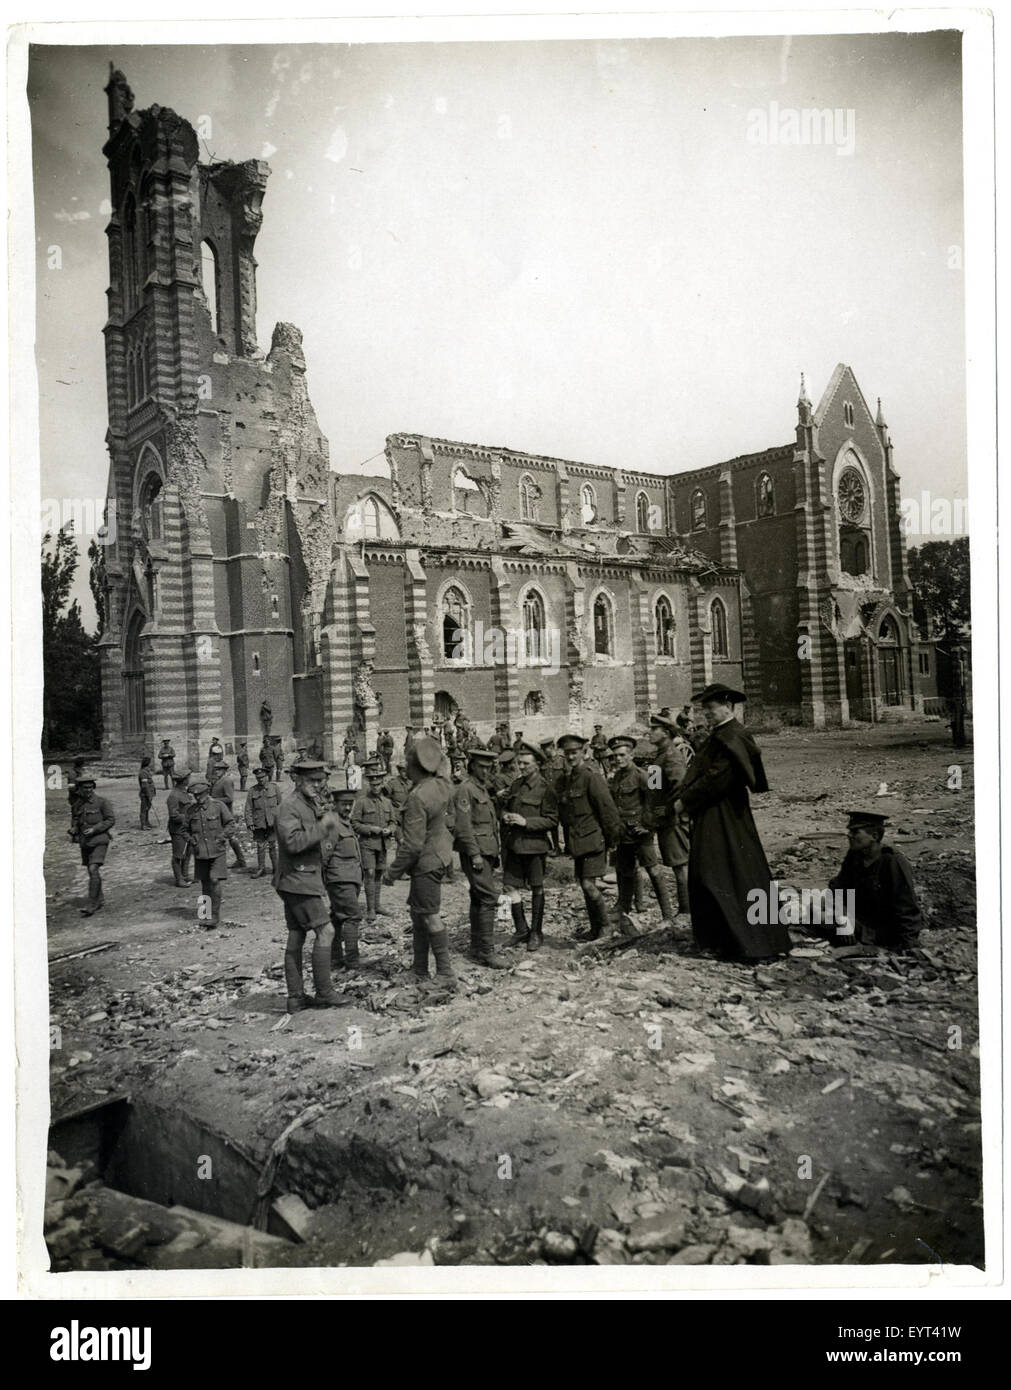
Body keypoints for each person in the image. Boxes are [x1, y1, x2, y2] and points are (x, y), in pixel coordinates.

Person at [674, 683, 789, 963]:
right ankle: (725, 940)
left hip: (724, 814)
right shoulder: (723, 734)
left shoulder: (732, 735)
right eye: (705, 711)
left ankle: (750, 943)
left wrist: (684, 801)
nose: (707, 715)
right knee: (718, 873)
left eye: (711, 710)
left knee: (723, 873)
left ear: (728, 706)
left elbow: (717, 778)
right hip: (715, 813)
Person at [382, 736, 456, 990]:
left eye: (409, 763)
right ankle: (420, 969)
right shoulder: (442, 785)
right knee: (419, 914)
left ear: (416, 767)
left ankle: (445, 974)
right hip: (440, 856)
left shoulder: (417, 797)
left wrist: (392, 872)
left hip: (425, 862)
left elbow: (412, 845)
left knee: (430, 917)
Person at [273, 759, 345, 1012]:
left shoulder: (306, 803)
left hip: (299, 878)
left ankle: (296, 998)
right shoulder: (289, 806)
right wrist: (322, 827)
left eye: (320, 780)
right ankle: (324, 992)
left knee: (297, 935)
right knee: (326, 932)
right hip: (298, 880)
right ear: (298, 780)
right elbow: (292, 844)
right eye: (312, 781)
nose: (318, 785)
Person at [556, 734, 623, 941]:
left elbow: (607, 809)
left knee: (589, 885)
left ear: (584, 752)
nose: (570, 757)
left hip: (597, 838)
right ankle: (596, 929)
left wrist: (612, 840)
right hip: (579, 841)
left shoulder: (591, 776)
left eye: (574, 752)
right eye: (567, 753)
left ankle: (606, 927)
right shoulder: (570, 778)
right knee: (585, 886)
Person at [827, 809, 923, 954]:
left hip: (882, 930)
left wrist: (909, 946)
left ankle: (867, 946)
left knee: (820, 917)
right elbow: (839, 887)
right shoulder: (855, 855)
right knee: (813, 907)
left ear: (874, 836)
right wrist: (844, 917)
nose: (849, 835)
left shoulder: (893, 862)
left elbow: (907, 908)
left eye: (855, 832)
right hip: (858, 918)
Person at [608, 734, 677, 932]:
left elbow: (657, 802)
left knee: (654, 870)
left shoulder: (643, 775)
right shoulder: (616, 778)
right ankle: (624, 908)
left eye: (622, 755)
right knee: (624, 870)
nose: (618, 759)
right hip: (623, 832)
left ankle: (667, 915)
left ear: (631, 755)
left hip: (641, 832)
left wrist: (649, 826)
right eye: (615, 756)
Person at [453, 748, 509, 968]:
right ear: (472, 766)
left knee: (478, 898)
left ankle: (477, 947)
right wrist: (474, 854)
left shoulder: (481, 789)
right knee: (488, 898)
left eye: (489, 767)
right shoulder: (466, 790)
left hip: (486, 851)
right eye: (481, 767)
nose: (486, 771)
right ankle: (487, 951)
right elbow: (463, 826)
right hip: (476, 852)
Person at [501, 741, 558, 952]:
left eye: (525, 763)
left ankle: (536, 932)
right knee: (508, 886)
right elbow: (505, 807)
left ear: (537, 765)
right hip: (515, 845)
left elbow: (552, 820)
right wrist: (505, 816)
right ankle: (520, 929)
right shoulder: (516, 785)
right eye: (519, 763)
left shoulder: (545, 788)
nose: (521, 767)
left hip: (535, 846)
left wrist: (527, 822)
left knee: (537, 887)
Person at [648, 712, 693, 920]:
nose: (650, 733)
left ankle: (686, 909)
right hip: (663, 820)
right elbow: (654, 787)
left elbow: (681, 788)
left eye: (654, 729)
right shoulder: (659, 756)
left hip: (673, 820)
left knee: (680, 865)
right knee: (676, 865)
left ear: (665, 733)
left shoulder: (672, 756)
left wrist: (667, 810)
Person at [322, 787, 365, 970]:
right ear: (335, 804)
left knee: (338, 918)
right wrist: (325, 881)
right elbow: (324, 855)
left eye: (350, 804)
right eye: (343, 804)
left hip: (350, 878)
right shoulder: (332, 824)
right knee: (352, 917)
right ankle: (352, 960)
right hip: (340, 879)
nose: (347, 808)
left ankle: (335, 959)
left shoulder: (345, 823)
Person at [185, 779, 234, 930]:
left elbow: (230, 824)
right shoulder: (191, 811)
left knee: (214, 881)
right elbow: (184, 830)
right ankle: (204, 915)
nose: (197, 798)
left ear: (206, 793)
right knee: (204, 883)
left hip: (217, 851)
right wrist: (191, 839)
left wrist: (222, 837)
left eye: (199, 795)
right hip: (200, 852)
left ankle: (214, 916)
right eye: (195, 796)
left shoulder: (218, 806)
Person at [351, 762, 396, 925]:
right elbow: (354, 823)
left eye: (378, 784)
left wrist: (390, 830)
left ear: (382, 783)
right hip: (368, 844)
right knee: (369, 873)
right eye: (373, 784)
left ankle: (377, 905)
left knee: (379, 873)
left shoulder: (387, 803)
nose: (376, 787)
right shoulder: (362, 802)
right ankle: (370, 908)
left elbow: (394, 822)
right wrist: (372, 829)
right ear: (369, 784)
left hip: (383, 844)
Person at [72, 778, 116, 917]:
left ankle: (91, 904)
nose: (88, 790)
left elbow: (110, 819)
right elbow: (75, 820)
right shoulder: (78, 804)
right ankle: (100, 899)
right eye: (85, 788)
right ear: (80, 788)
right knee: (92, 872)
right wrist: (73, 830)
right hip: (85, 842)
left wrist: (95, 829)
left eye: (91, 787)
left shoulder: (102, 802)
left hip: (100, 840)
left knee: (93, 868)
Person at [244, 764, 280, 877]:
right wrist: (249, 822)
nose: (261, 780)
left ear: (267, 776)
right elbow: (248, 808)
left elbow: (281, 805)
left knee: (273, 845)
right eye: (258, 778)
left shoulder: (274, 788)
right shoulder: (252, 790)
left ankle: (276, 868)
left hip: (272, 821)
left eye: (263, 777)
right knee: (260, 846)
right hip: (258, 822)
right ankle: (261, 869)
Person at [210, 761, 247, 869]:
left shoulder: (226, 781)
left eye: (219, 769)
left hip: (225, 813)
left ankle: (240, 861)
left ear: (224, 770)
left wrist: (213, 800)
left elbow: (229, 798)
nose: (216, 771)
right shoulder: (218, 781)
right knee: (228, 837)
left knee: (229, 837)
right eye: (215, 769)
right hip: (218, 813)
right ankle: (240, 860)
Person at [166, 765, 194, 886]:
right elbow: (174, 815)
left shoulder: (184, 792)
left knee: (188, 853)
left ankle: (185, 875)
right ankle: (179, 879)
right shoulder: (174, 795)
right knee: (178, 855)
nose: (190, 779)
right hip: (178, 829)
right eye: (188, 777)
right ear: (184, 780)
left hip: (186, 829)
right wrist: (188, 818)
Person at [138, 755, 156, 828]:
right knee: (144, 809)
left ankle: (147, 822)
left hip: (150, 793)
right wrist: (148, 794)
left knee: (147, 809)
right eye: (150, 762)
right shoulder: (143, 773)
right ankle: (143, 825)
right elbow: (144, 785)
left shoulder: (147, 771)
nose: (151, 764)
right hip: (145, 794)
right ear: (147, 763)